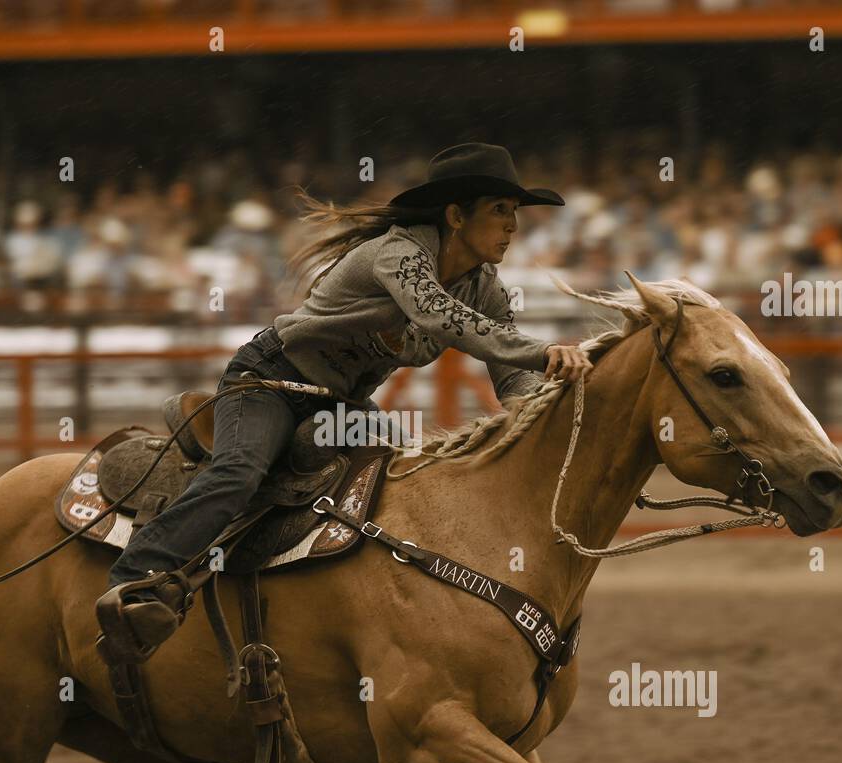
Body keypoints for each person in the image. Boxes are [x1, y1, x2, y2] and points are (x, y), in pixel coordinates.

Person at [97, 142, 591, 653]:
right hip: (270, 383)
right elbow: (442, 318)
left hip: (338, 407)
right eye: (500, 210)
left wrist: (540, 411)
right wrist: (547, 351)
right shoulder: (399, 254)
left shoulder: (485, 287)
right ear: (455, 215)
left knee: (412, 470)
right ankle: (134, 580)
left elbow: (511, 371)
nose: (513, 226)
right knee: (240, 471)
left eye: (514, 214)